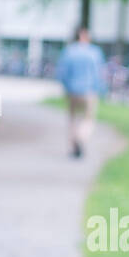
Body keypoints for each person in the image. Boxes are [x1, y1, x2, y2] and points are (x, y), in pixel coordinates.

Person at [55, 25, 107, 158]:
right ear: (86, 36)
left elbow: (62, 73)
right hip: (89, 91)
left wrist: (66, 88)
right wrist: (101, 90)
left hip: (72, 91)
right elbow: (99, 74)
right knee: (89, 119)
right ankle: (80, 137)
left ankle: (74, 146)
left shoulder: (69, 51)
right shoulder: (95, 52)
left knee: (73, 119)